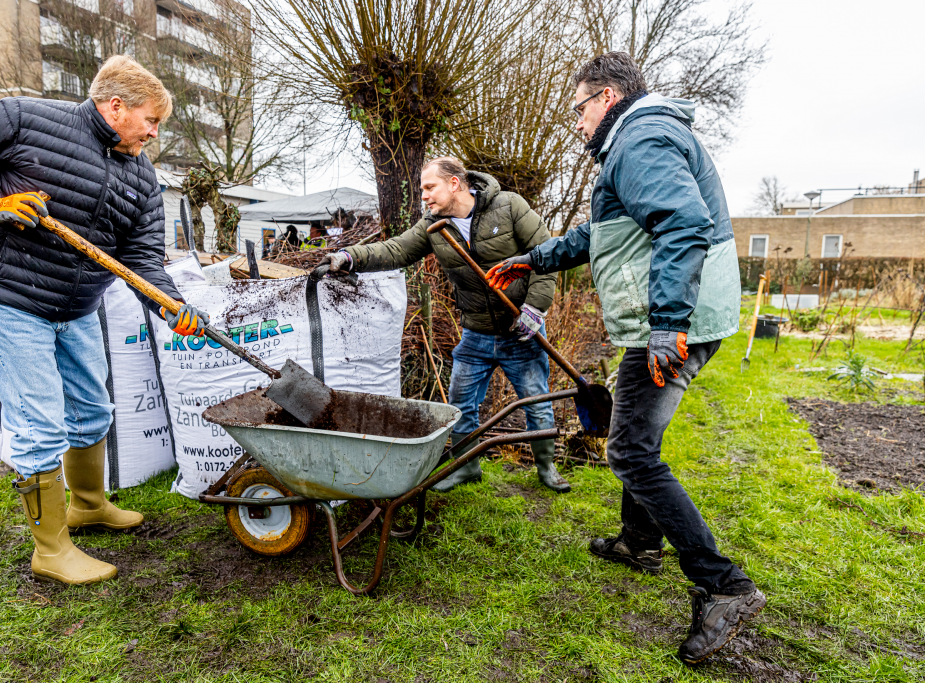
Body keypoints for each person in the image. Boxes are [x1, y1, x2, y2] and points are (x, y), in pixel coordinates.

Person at [486, 52, 765, 663]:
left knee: (630, 449)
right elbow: (602, 235)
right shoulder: (634, 145)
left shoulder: (642, 138)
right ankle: (638, 542)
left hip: (669, 325)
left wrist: (668, 325)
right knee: (638, 437)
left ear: (606, 97)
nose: (578, 121)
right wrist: (538, 258)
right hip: (667, 320)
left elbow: (683, 224)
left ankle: (725, 586)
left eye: (579, 108)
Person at [0, 55, 210, 586]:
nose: (155, 133)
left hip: (77, 307)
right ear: (116, 107)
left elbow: (144, 259)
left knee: (92, 409)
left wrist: (170, 305)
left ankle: (88, 504)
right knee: (39, 423)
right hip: (10, 297)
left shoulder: (140, 174)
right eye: (151, 120)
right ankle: (50, 550)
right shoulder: (24, 118)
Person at [319, 157, 566, 493]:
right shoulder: (434, 225)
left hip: (520, 330)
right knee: (460, 404)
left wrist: (536, 308)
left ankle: (546, 467)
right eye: (422, 189)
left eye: (429, 187)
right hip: (476, 333)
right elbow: (396, 250)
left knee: (536, 400)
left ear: (454, 184)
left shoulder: (508, 207)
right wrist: (350, 257)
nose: (424, 196)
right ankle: (467, 467)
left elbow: (546, 254)